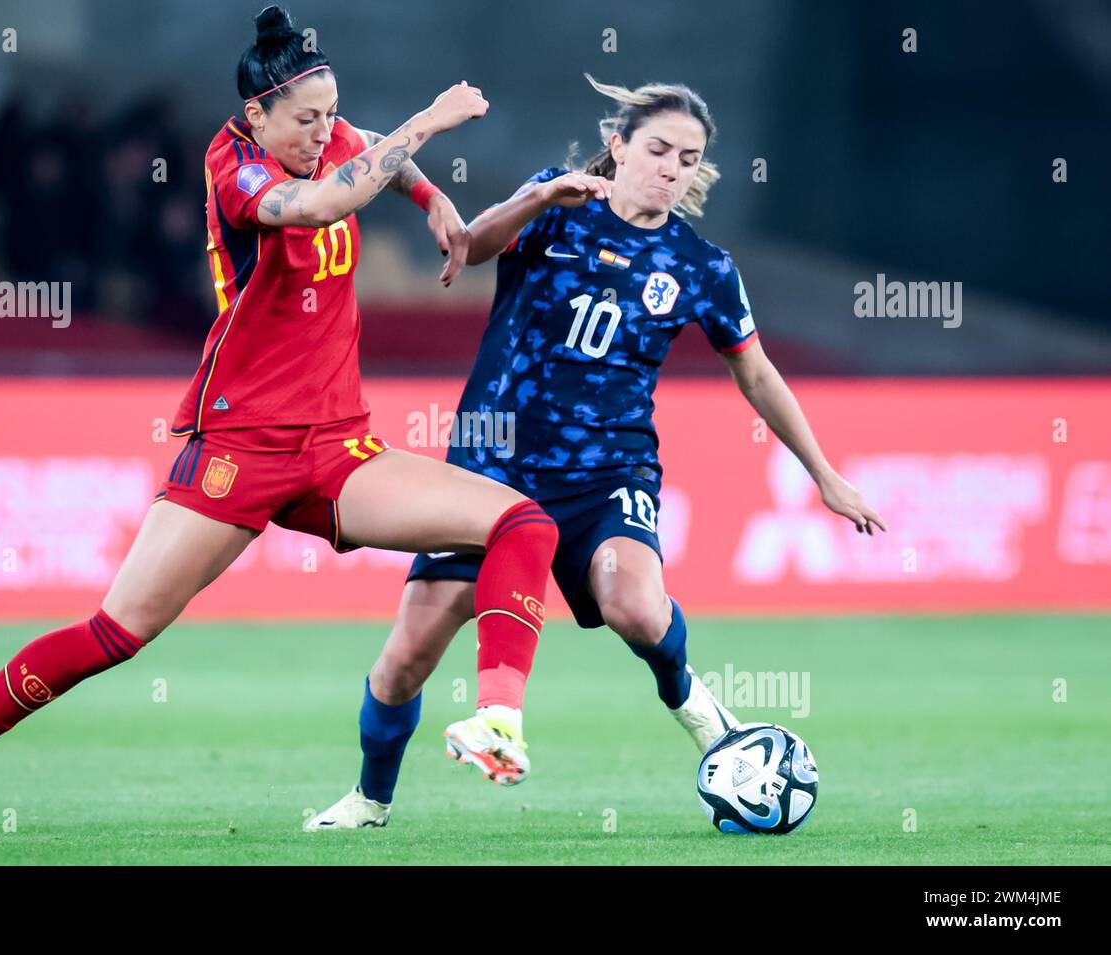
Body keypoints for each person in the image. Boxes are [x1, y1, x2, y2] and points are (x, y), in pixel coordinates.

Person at [0, 5, 560, 837]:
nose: (323, 132)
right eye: (304, 119)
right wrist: (427, 127)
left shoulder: (330, 137)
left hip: (340, 449)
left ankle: (494, 722)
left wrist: (427, 193)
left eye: (330, 115)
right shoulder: (235, 169)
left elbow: (359, 143)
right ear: (256, 116)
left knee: (521, 521)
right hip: (238, 449)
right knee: (114, 633)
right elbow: (310, 208)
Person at [306, 74, 887, 829]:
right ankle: (369, 800)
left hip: (608, 471)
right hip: (495, 462)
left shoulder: (700, 266)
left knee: (635, 605)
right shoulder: (555, 201)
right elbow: (469, 246)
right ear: (617, 145)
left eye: (689, 156)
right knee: (408, 654)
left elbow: (757, 371)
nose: (672, 167)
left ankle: (706, 722)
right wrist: (540, 200)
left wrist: (825, 473)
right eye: (658, 149)